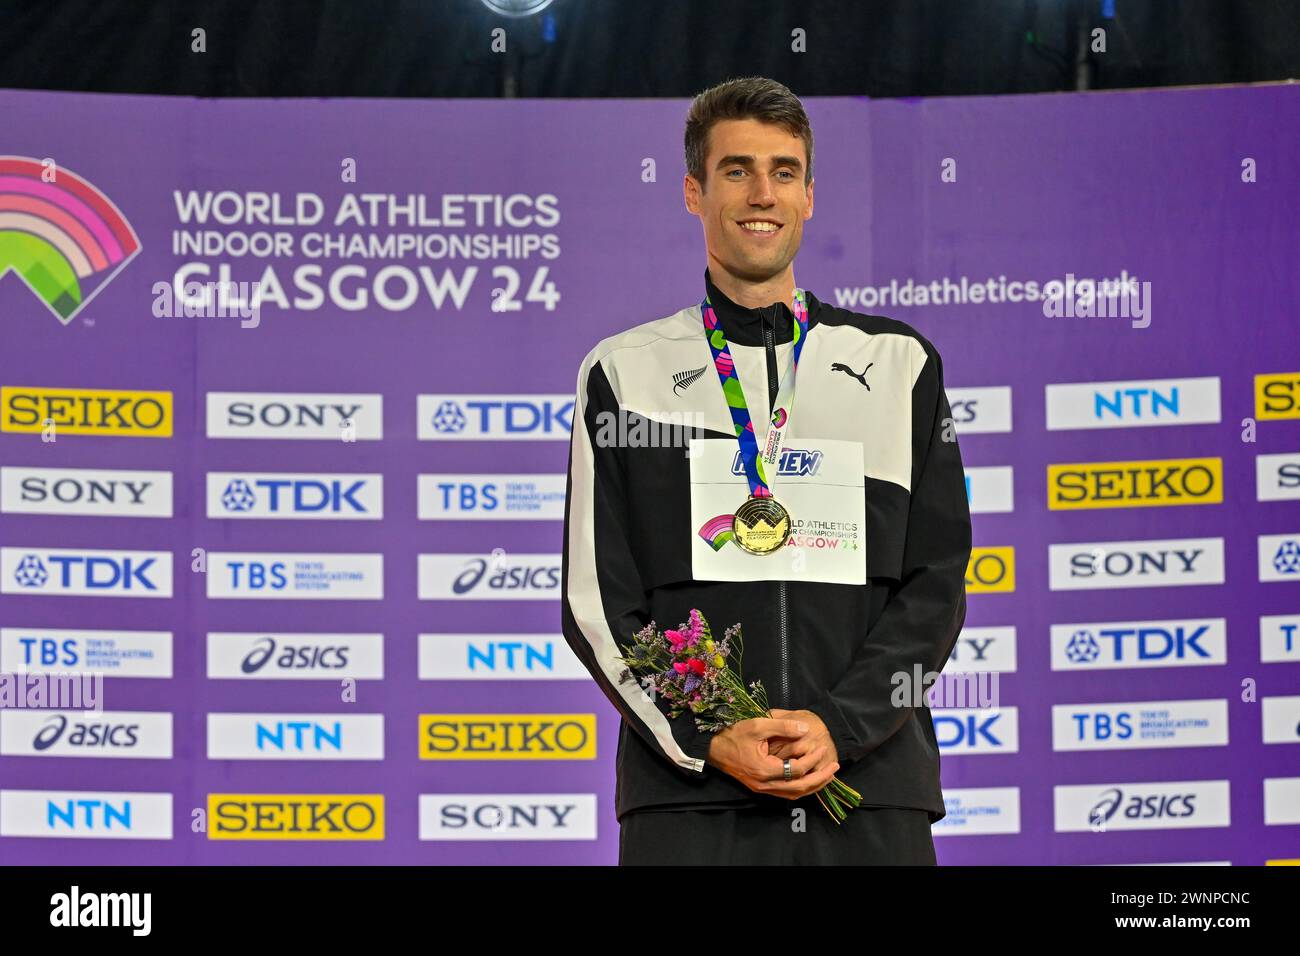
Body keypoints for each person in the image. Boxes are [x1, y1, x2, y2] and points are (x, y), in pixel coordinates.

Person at [561, 76, 972, 865]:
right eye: (737, 170)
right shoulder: (624, 374)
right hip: (691, 804)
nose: (763, 194)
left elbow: (936, 583)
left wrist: (839, 728)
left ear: (810, 195)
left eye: (784, 172)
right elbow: (597, 600)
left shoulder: (896, 365)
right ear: (693, 190)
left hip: (868, 792)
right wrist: (710, 736)